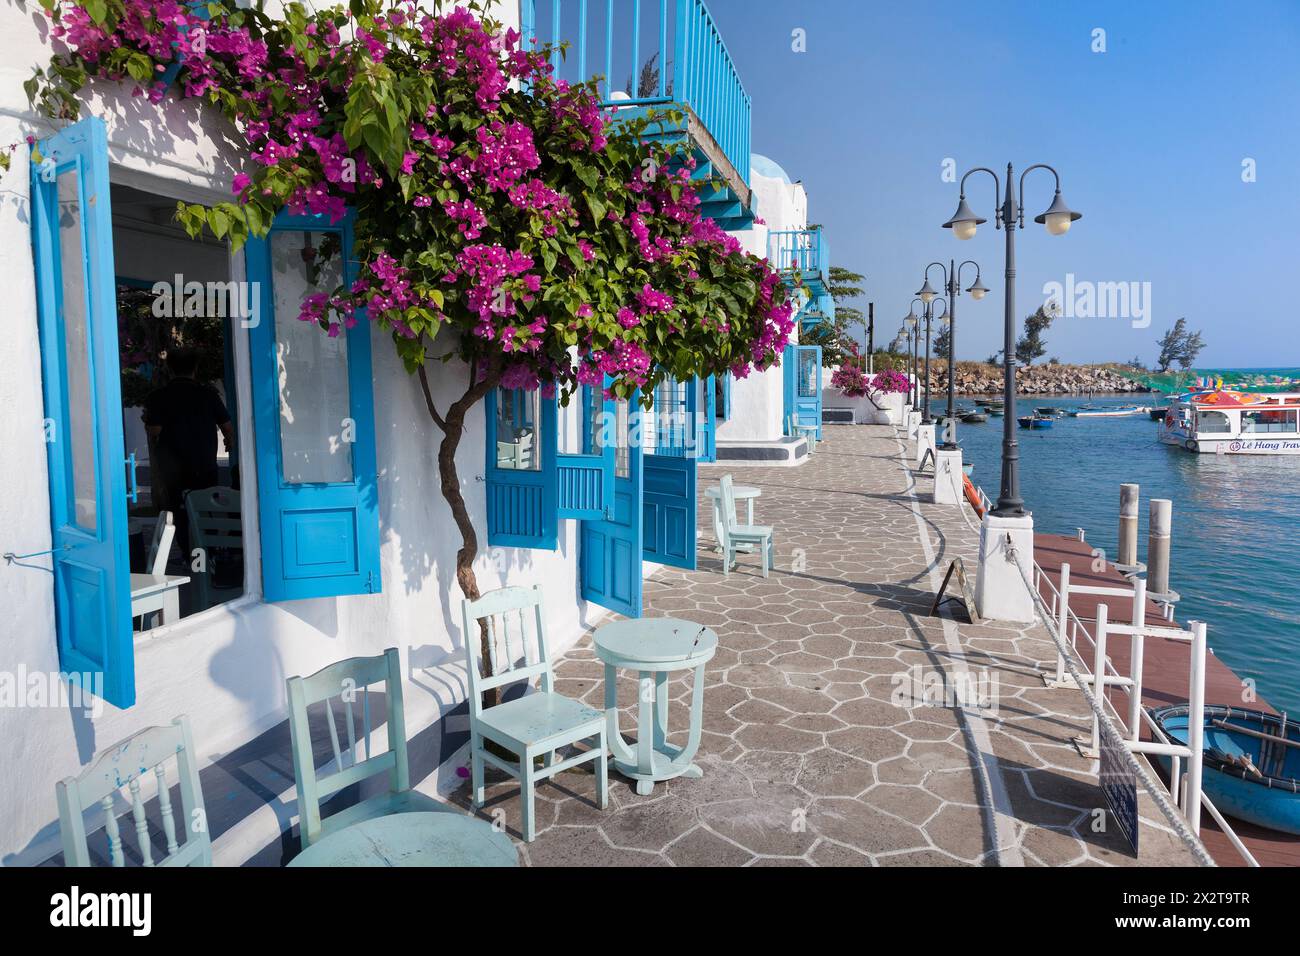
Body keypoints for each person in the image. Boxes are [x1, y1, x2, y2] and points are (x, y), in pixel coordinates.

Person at [143, 349, 236, 562]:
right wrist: (228, 443)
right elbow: (227, 427)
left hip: (173, 466)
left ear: (169, 369)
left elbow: (155, 430)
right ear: (195, 369)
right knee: (206, 508)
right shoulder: (208, 394)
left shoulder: (158, 396)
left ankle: (190, 557)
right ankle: (208, 555)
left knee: (180, 511)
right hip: (204, 463)